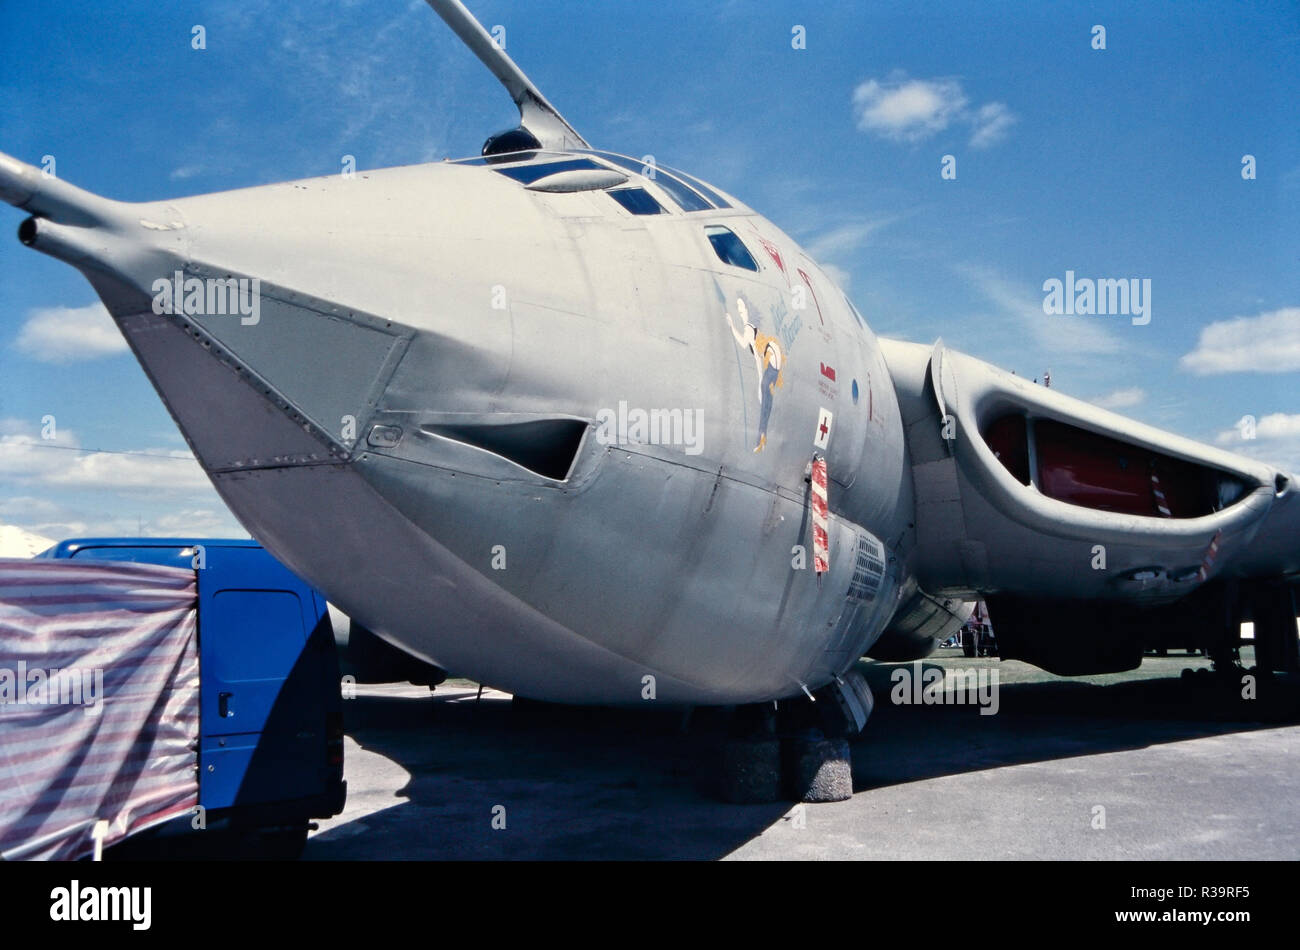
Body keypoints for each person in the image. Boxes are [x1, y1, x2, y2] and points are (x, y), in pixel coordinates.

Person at [725, 298, 784, 452]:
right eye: (738, 307)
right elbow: (757, 359)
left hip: (773, 354)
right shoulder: (750, 328)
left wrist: (731, 326)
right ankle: (761, 439)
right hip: (771, 356)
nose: (739, 310)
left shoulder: (748, 328)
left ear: (748, 310)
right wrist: (760, 383)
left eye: (742, 307)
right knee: (765, 398)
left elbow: (744, 344)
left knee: (765, 394)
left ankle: (761, 439)